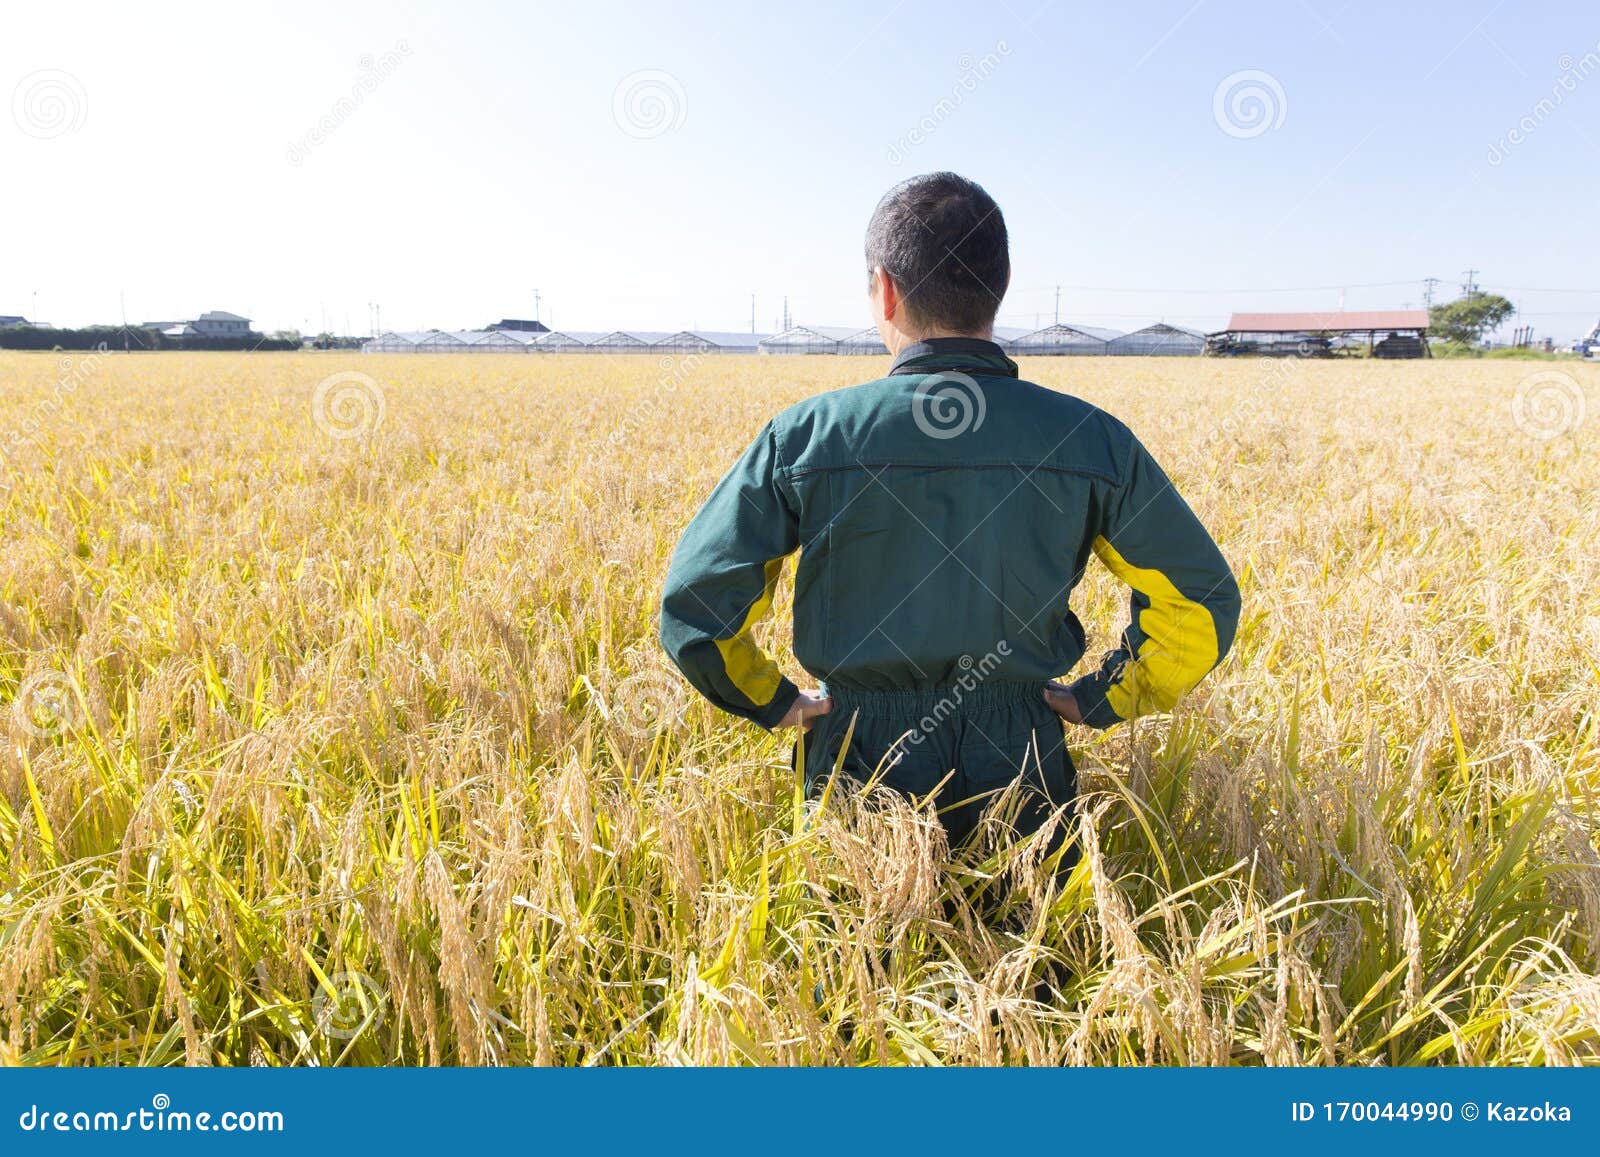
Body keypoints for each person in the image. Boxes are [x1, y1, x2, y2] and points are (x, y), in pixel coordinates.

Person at [659, 172, 1240, 871]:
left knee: (860, 970)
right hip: (1023, 763)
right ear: (1000, 287)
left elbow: (698, 605)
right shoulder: (1091, 442)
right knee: (1034, 966)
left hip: (857, 764)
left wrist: (774, 699)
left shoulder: (805, 437)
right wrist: (1101, 697)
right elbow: (1199, 601)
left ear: (886, 290)